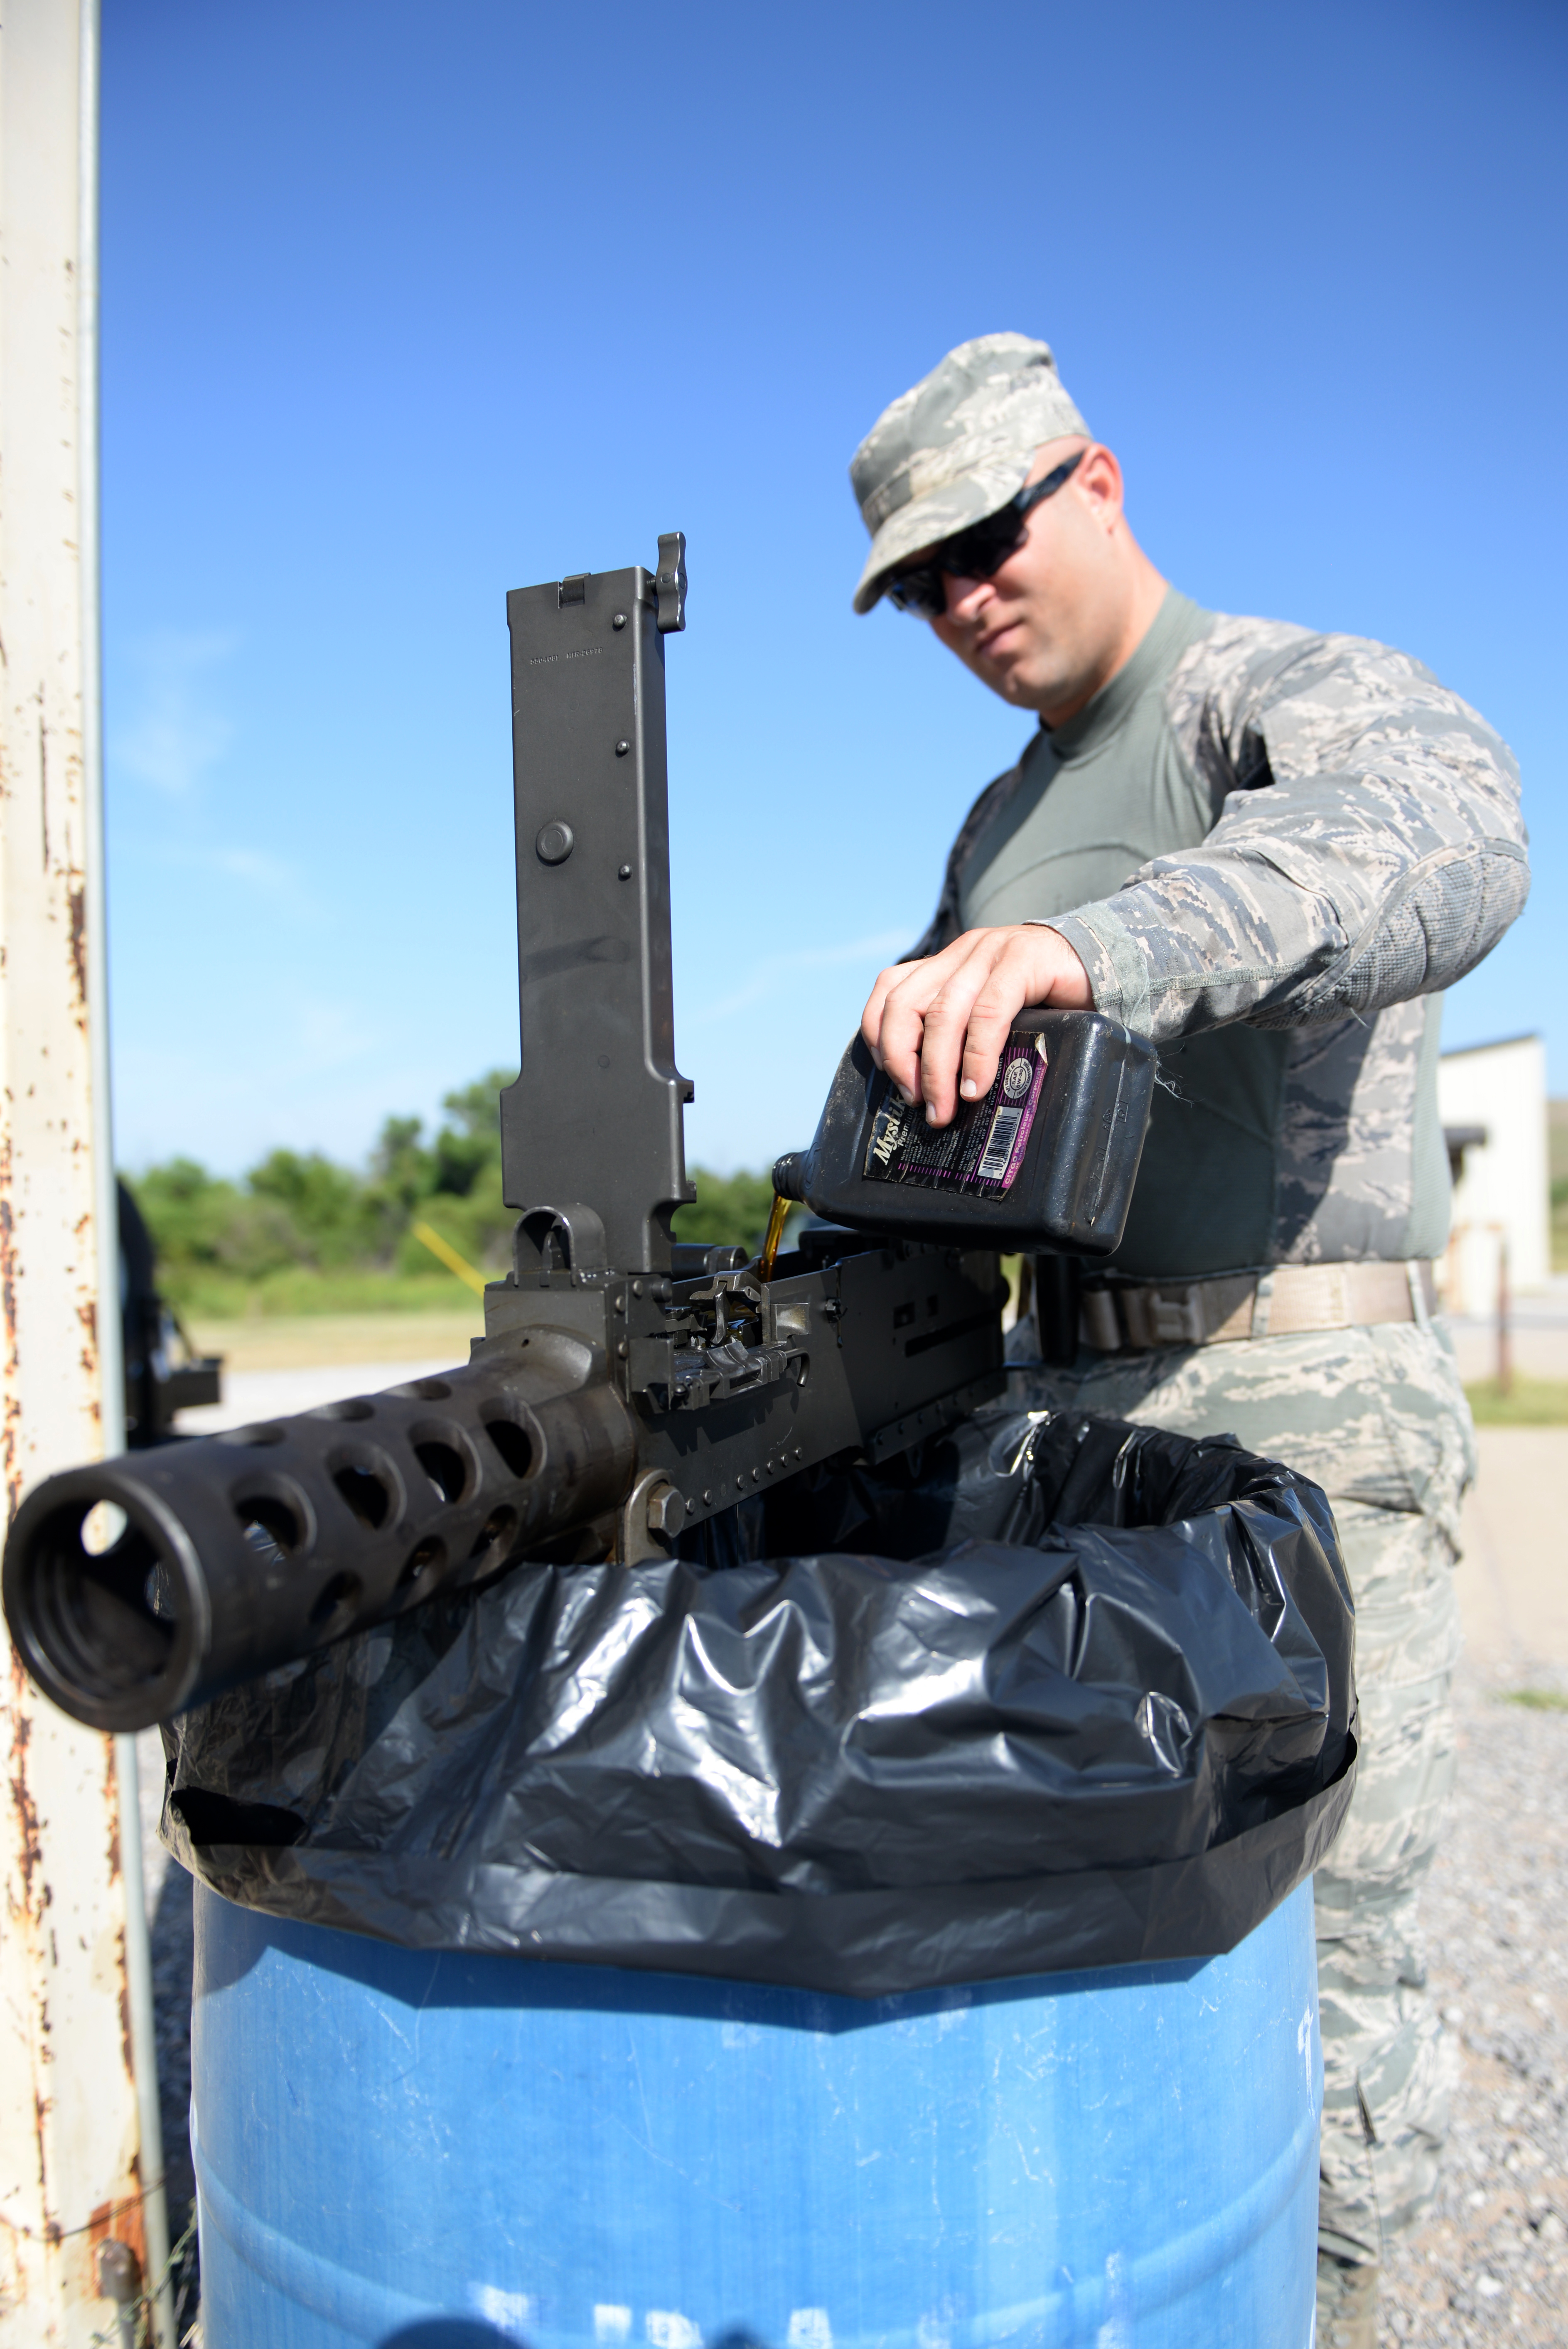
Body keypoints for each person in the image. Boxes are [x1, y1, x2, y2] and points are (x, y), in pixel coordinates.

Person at [848, 333, 1528, 2349]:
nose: (967, 594)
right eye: (921, 581)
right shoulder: (991, 824)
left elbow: (1444, 839)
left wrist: (1095, 949)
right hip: (1055, 1438)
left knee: (1324, 1951)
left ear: (1098, 482)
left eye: (988, 535)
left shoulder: (1271, 697)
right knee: (1095, 1937)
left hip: (1295, 1417)